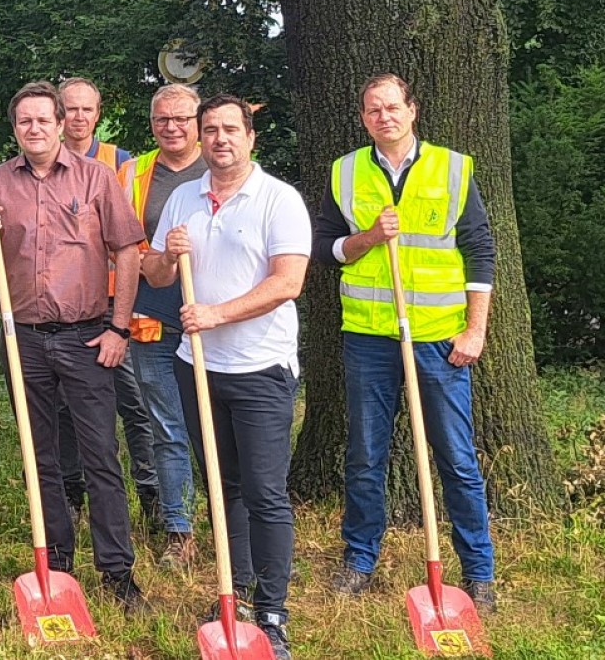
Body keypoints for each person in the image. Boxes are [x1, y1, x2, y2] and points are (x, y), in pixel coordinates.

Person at [317, 74, 498, 615]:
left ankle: (479, 571)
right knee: (366, 455)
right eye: (373, 110)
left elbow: (480, 250)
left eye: (392, 107)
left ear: (412, 110)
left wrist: (475, 328)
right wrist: (370, 237)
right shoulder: (346, 172)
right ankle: (360, 559)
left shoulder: (453, 167)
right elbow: (325, 250)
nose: (383, 117)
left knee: (457, 457)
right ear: (362, 117)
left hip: (439, 340)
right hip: (370, 337)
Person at [0, 81, 147, 613]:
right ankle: (57, 562)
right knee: (39, 454)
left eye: (44, 119)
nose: (35, 128)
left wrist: (119, 328)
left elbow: (129, 251)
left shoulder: (96, 179)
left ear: (62, 123)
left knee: (100, 457)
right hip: (23, 338)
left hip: (88, 335)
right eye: (25, 121)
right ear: (14, 127)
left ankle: (117, 572)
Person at [141, 94, 309, 660]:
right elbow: (155, 272)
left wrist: (216, 314)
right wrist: (167, 253)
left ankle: (273, 610)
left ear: (250, 137)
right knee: (224, 486)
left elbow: (287, 283)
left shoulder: (278, 200)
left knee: (265, 492)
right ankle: (232, 593)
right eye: (209, 129)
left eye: (229, 129)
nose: (219, 139)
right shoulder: (182, 197)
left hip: (260, 367)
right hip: (198, 367)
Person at [55, 77, 158, 533]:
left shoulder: (121, 164)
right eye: (70, 110)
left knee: (133, 403)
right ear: (59, 114)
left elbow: (131, 239)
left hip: (118, 306)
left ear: (98, 114)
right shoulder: (42, 163)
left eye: (87, 110)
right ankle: (71, 492)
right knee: (66, 409)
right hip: (67, 311)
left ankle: (151, 492)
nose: (78, 118)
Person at [123, 84, 209, 569]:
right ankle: (179, 530)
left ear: (198, 122)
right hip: (153, 318)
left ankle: (229, 520)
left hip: (215, 322)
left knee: (218, 427)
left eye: (181, 119)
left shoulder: (218, 166)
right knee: (167, 427)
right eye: (162, 119)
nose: (171, 127)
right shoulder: (134, 175)